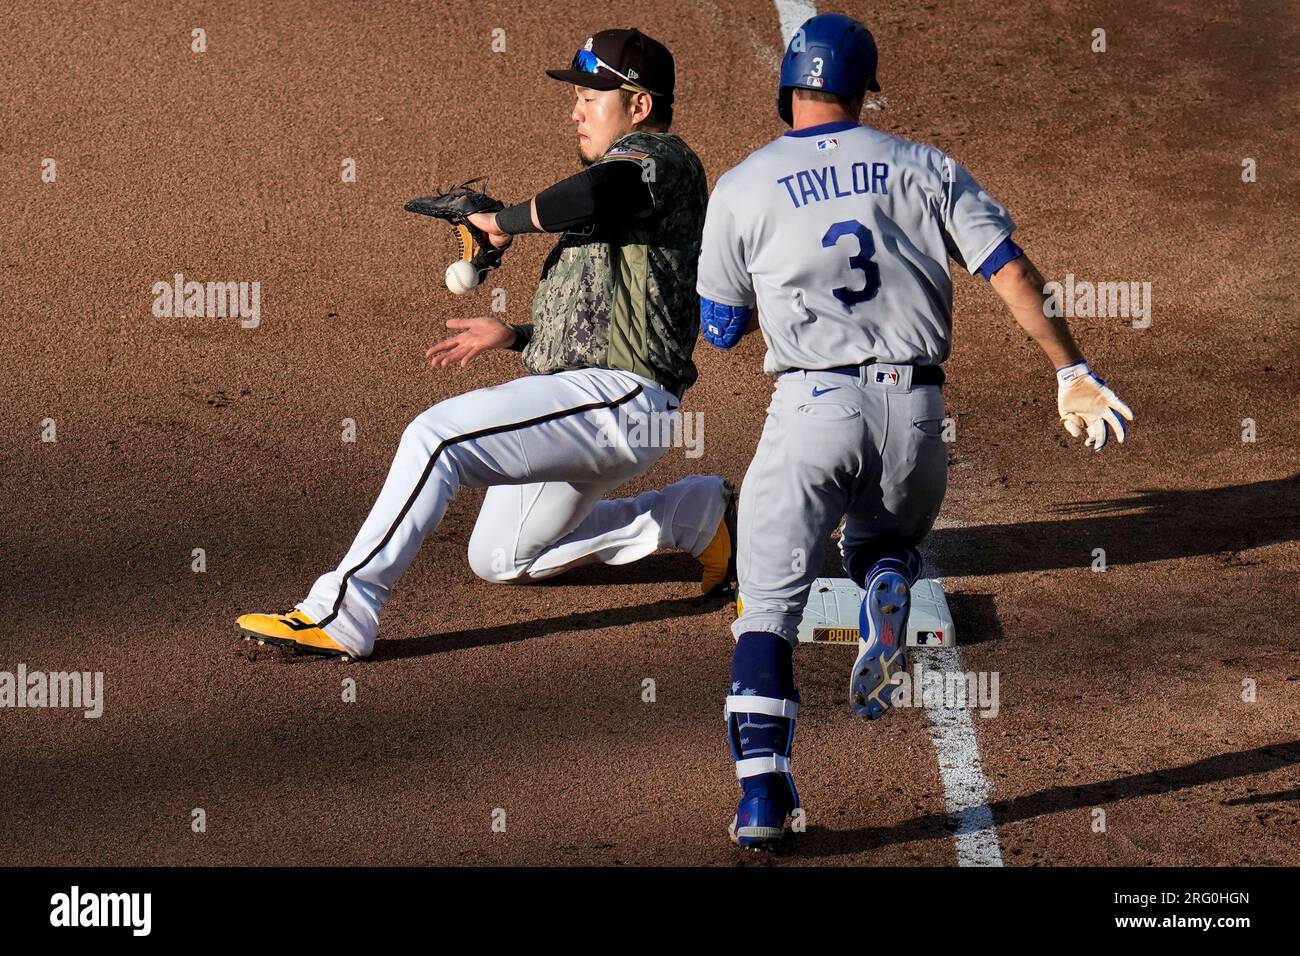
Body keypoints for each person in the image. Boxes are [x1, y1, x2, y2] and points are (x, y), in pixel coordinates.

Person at [696, 13, 1134, 848]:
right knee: (882, 538)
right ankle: (885, 586)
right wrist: (1070, 370)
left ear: (787, 87)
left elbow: (718, 327)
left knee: (767, 615)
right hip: (916, 417)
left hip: (811, 411)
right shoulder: (925, 166)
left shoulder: (744, 182)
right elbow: (1012, 271)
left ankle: (764, 799)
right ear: (863, 90)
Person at [237, 28, 734, 660]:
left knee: (434, 438)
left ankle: (343, 609)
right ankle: (691, 515)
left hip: (624, 400)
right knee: (501, 555)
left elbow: (593, 194)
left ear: (638, 105)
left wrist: (498, 225)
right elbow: (617, 311)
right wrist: (518, 336)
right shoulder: (623, 197)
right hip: (600, 398)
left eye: (592, 96)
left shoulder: (662, 161)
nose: (575, 110)